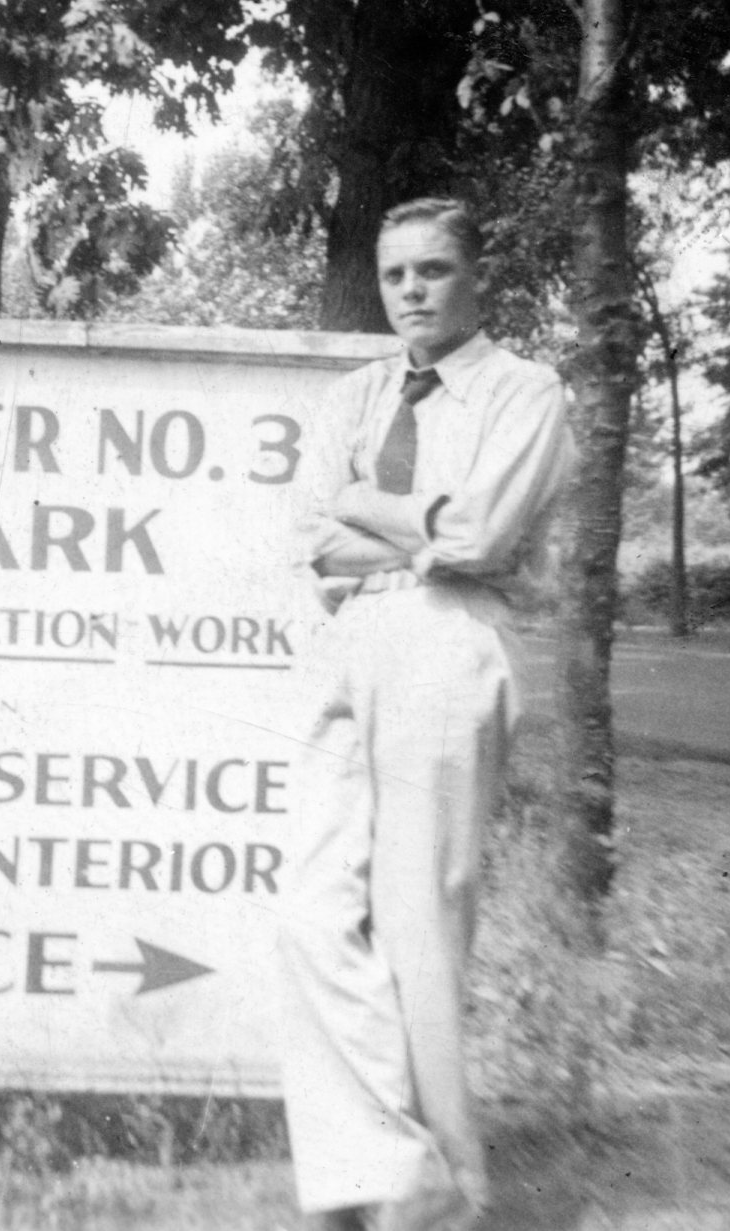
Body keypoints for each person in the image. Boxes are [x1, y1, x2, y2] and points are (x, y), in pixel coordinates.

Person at [278, 197, 576, 1231]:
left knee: (419, 923)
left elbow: (484, 535)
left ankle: (441, 1191)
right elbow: (309, 539)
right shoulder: (357, 391)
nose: (412, 289)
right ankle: (383, 1164)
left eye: (434, 270)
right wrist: (413, 524)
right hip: (349, 640)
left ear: (474, 276)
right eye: (396, 272)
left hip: (450, 639)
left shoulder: (523, 391)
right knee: (310, 914)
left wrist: (368, 503)